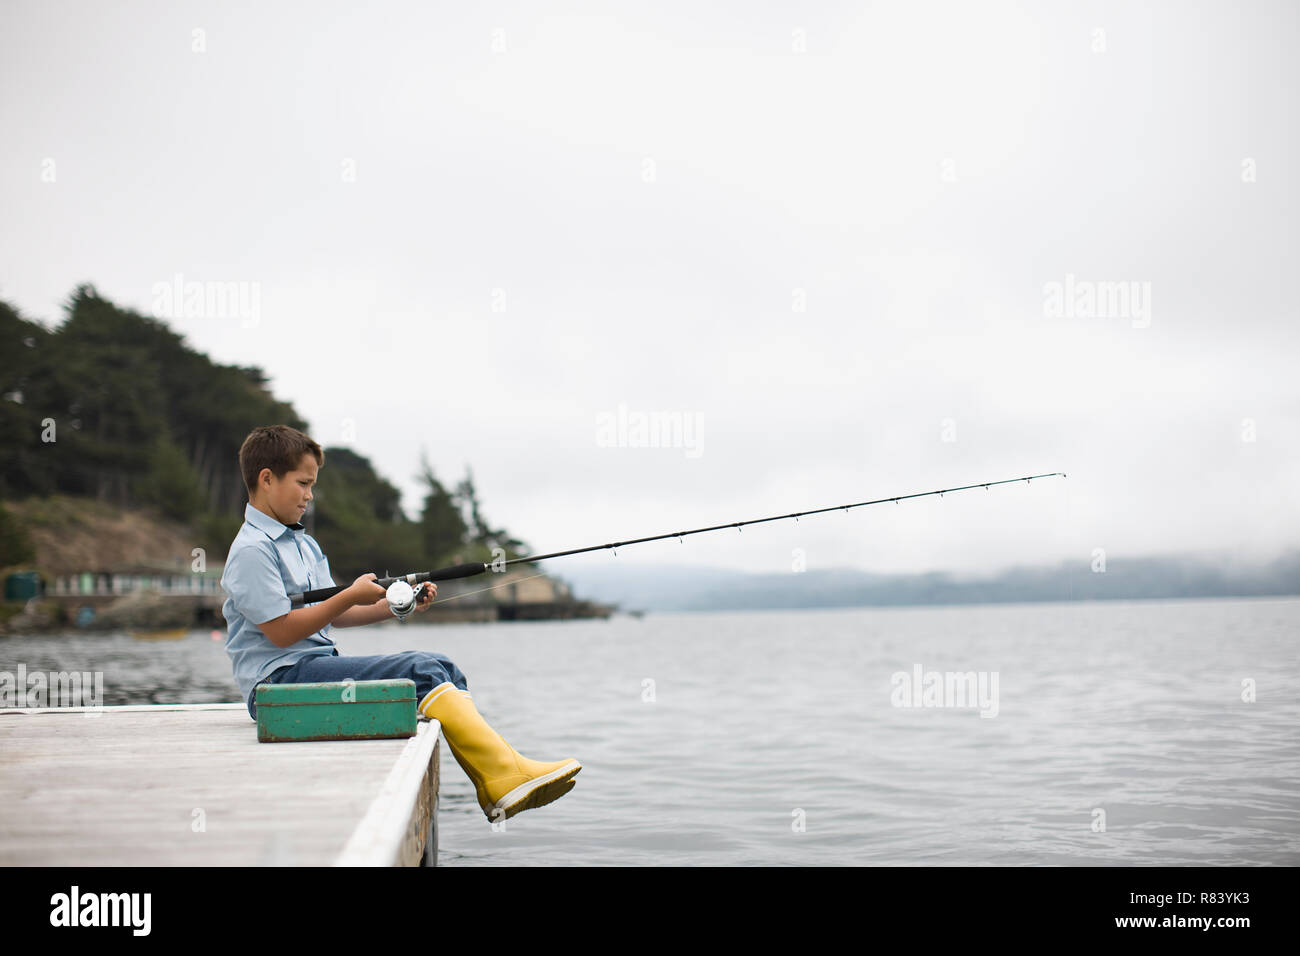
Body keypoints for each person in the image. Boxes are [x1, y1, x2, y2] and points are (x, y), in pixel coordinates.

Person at [219, 424, 579, 822]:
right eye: (303, 484)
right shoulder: (251, 551)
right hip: (277, 686)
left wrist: (397, 607)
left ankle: (498, 778)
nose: (310, 496)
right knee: (420, 670)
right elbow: (282, 630)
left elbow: (338, 614)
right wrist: (349, 594)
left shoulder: (302, 543)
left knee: (442, 666)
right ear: (266, 479)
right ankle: (504, 773)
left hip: (307, 670)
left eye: (312, 485)